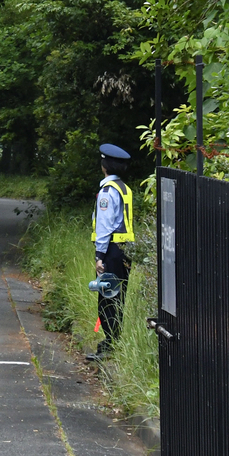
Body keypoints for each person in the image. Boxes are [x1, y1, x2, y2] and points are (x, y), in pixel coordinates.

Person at [88, 143, 134, 361]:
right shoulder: (124, 188)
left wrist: (99, 256)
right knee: (118, 297)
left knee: (107, 298)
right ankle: (114, 341)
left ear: (105, 165)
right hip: (124, 250)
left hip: (112, 251)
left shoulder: (107, 191)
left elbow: (105, 226)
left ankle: (110, 345)